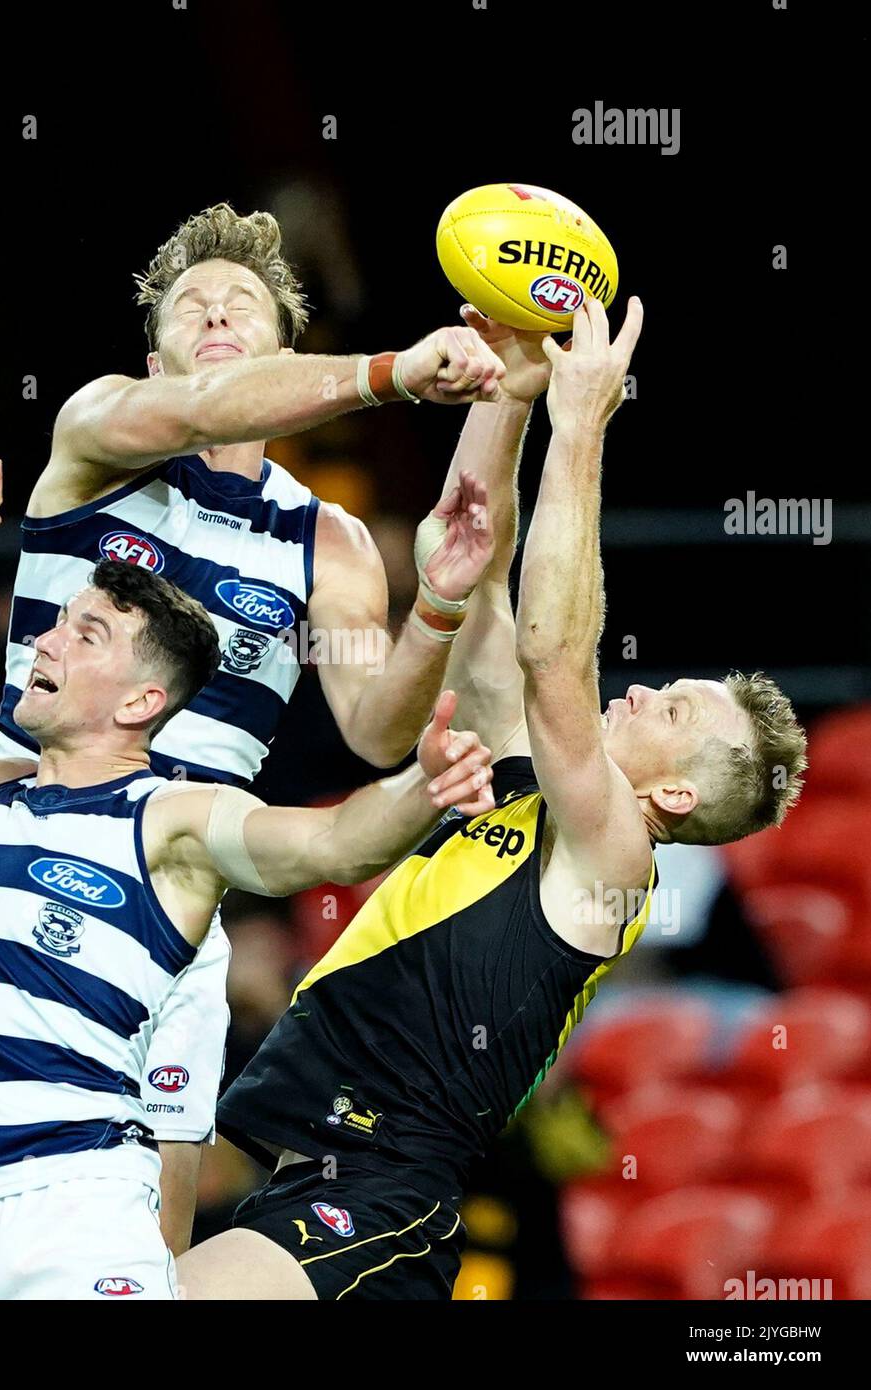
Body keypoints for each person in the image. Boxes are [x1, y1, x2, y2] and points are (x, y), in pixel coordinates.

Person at [0, 200, 505, 1296]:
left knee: (145, 1266)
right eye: (192, 307)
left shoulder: (333, 539)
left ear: (282, 348)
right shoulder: (99, 435)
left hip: (168, 905)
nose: (216, 318)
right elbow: (207, 406)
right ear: (154, 353)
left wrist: (440, 612)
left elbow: (374, 726)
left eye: (243, 308)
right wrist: (394, 371)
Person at [177, 297, 810, 1300]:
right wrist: (508, 390)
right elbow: (470, 555)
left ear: (676, 793)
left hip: (383, 1202)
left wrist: (581, 424)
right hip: (300, 1178)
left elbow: (557, 655)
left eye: (675, 709)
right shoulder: (521, 776)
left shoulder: (611, 860)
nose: (641, 689)